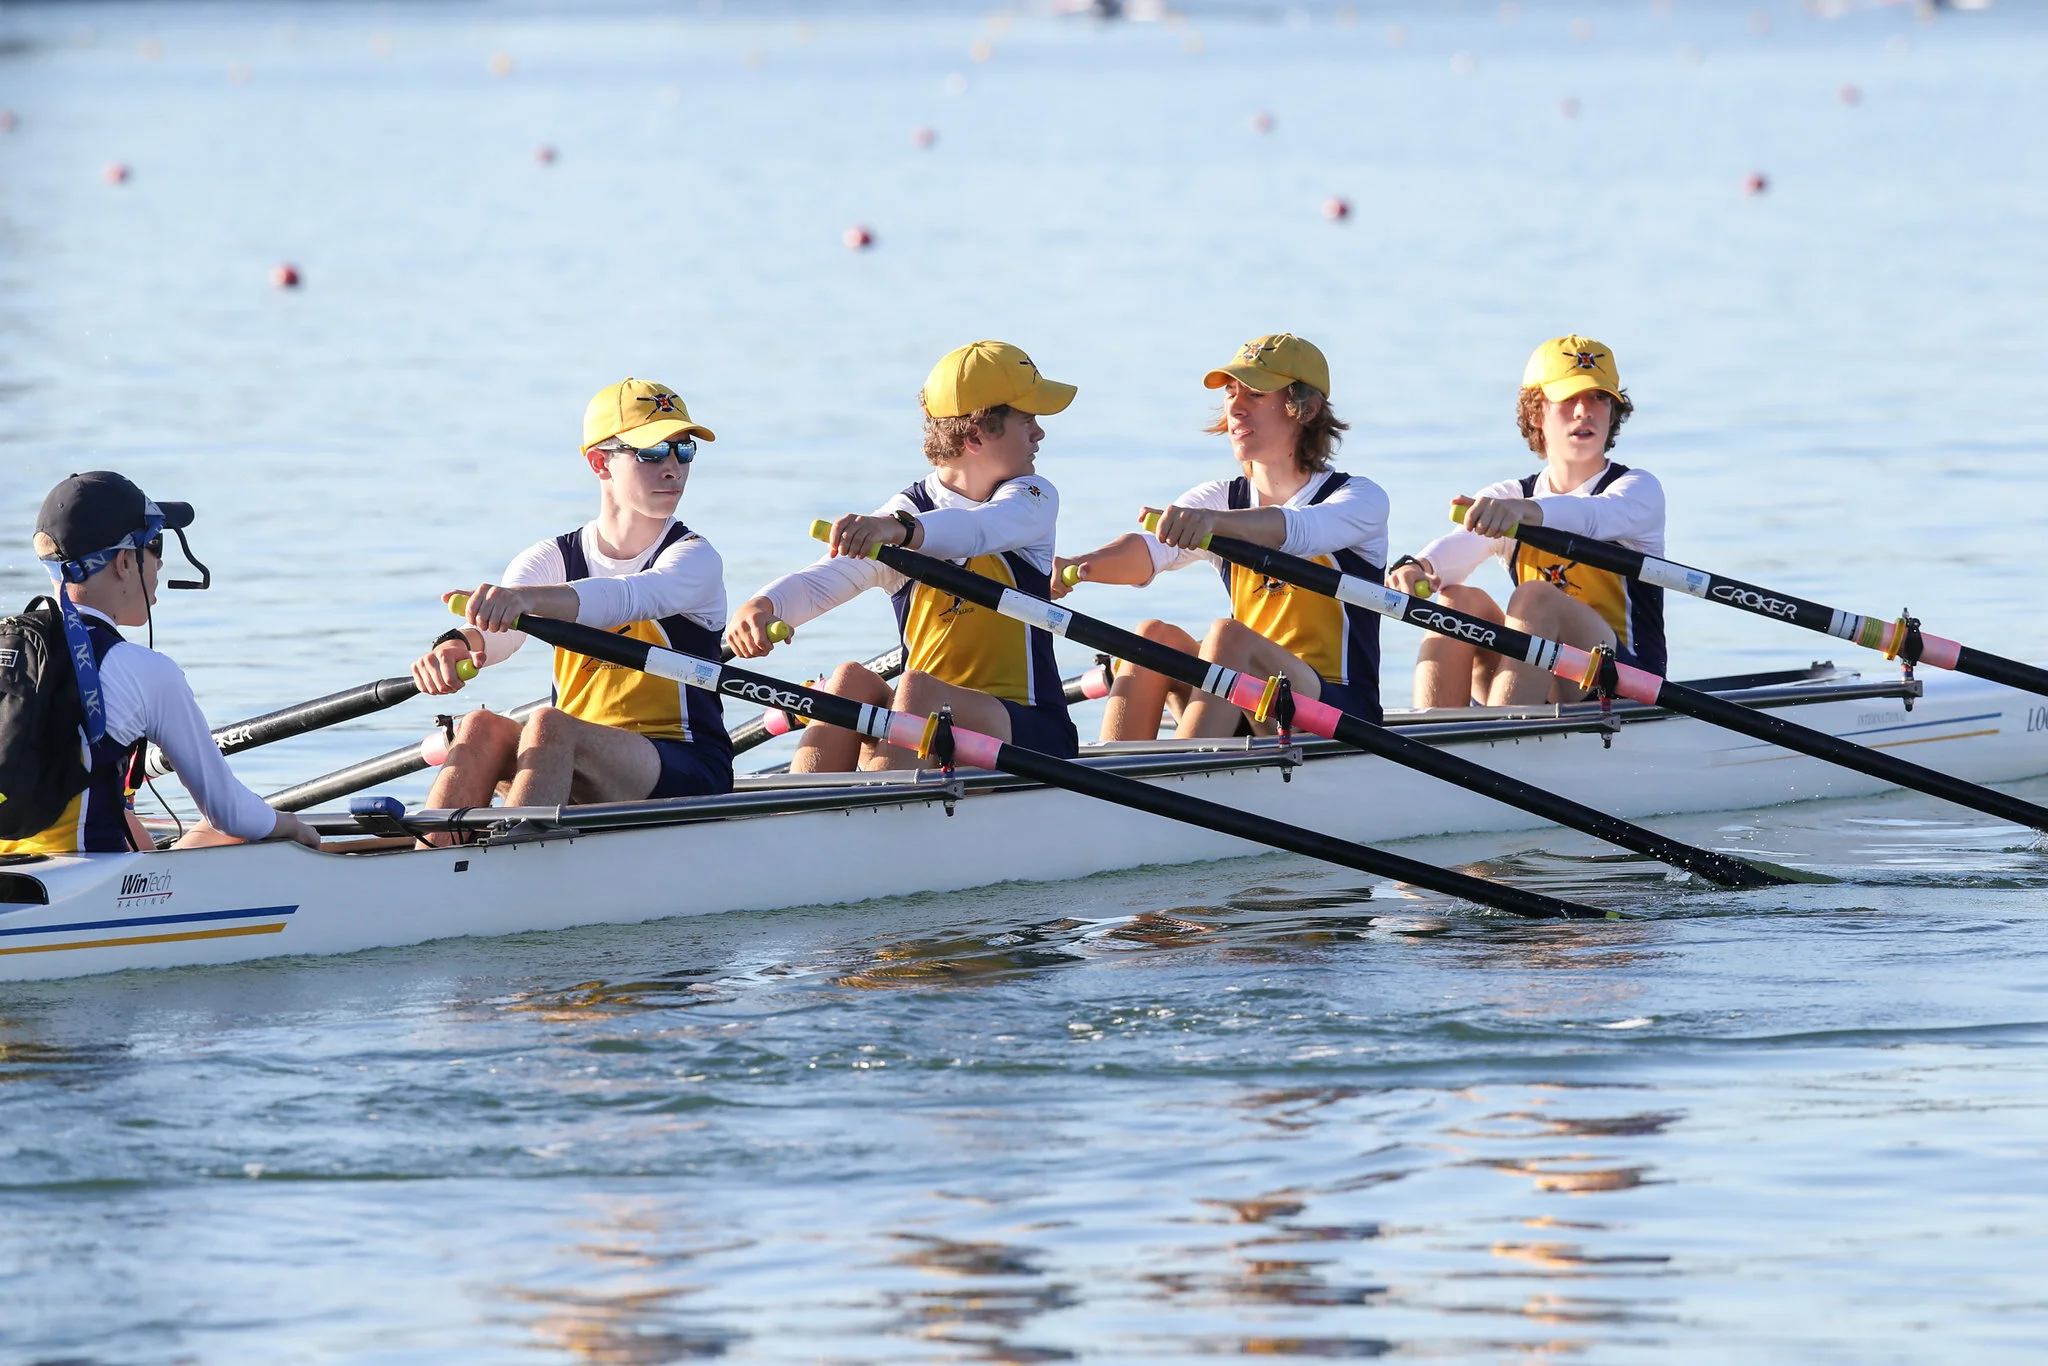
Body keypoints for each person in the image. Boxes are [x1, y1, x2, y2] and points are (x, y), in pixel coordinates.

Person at [724, 340, 1079, 771]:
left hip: (1030, 731)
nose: (1040, 433)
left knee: (916, 689)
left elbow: (977, 530)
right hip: (926, 734)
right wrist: (763, 606)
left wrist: (900, 530)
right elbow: (822, 582)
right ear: (976, 435)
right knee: (847, 682)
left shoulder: (1032, 498)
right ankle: (805, 804)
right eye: (1027, 420)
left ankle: (881, 802)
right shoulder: (903, 512)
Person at [411, 378, 733, 817]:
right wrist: (456, 645)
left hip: (685, 764)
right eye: (653, 451)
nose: (674, 468)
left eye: (684, 450)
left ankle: (520, 851)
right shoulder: (551, 558)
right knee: (480, 726)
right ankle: (435, 848)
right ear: (600, 462)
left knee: (549, 723)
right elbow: (502, 635)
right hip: (570, 758)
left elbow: (625, 597)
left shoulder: (694, 558)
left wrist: (524, 601)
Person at [1053, 333, 1389, 740]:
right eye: (1231, 393)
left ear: (1306, 409)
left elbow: (1299, 530)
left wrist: (1212, 523)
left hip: (1338, 711)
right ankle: (1114, 767)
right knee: (1152, 636)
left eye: (1255, 394)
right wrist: (1079, 567)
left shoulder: (1360, 499)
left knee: (1228, 636)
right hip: (1250, 705)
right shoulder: (1219, 500)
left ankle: (1182, 765)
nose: (1235, 407)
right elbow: (1149, 550)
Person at [0, 472, 321, 855]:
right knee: (224, 831)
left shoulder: (10, 653)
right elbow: (230, 813)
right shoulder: (145, 670)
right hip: (94, 880)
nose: (161, 563)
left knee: (128, 817)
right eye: (154, 544)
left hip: (18, 874)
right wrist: (291, 825)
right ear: (123, 561)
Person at [1388, 334, 1666, 707]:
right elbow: (1462, 544)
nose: (1584, 411)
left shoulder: (1638, 490)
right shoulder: (1511, 496)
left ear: (1613, 412)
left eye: (1598, 398)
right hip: (1542, 681)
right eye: (1568, 398)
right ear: (1536, 413)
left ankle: (1505, 730)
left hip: (1624, 684)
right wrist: (1420, 566)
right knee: (1457, 599)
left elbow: (1592, 516)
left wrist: (1525, 511)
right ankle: (1435, 729)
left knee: (1535, 596)